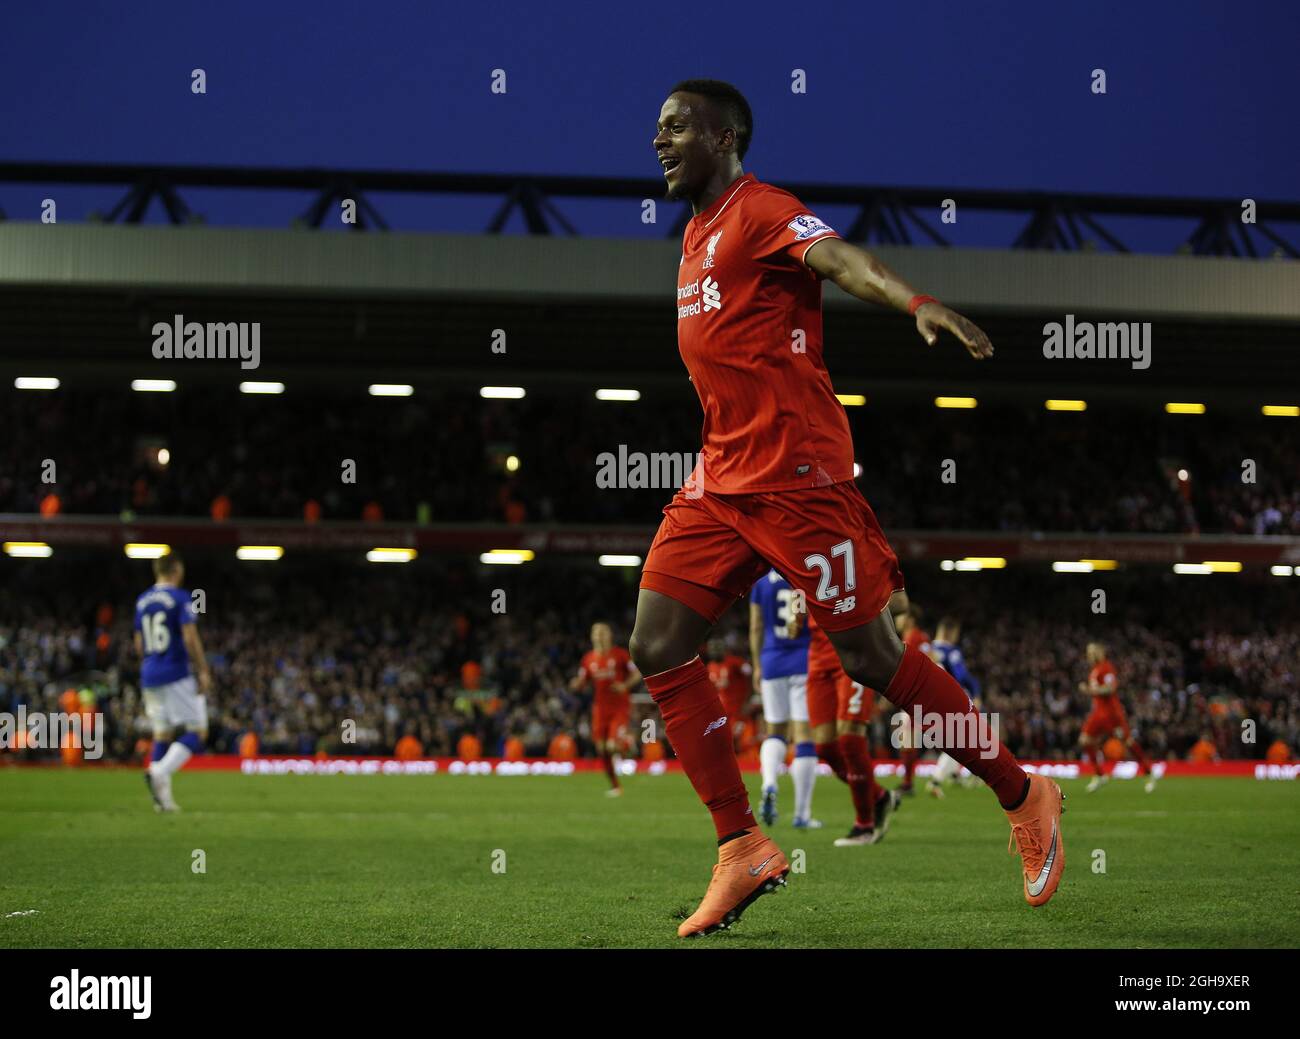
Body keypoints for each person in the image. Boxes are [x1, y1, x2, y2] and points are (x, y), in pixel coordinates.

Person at [630, 78, 1066, 937]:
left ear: (725, 136)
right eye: (657, 128)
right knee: (657, 641)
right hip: (720, 482)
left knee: (874, 659)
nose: (660, 140)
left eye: (677, 126)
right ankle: (741, 844)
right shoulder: (691, 235)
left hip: (799, 480)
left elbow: (838, 258)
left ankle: (1024, 793)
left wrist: (916, 301)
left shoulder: (761, 210)